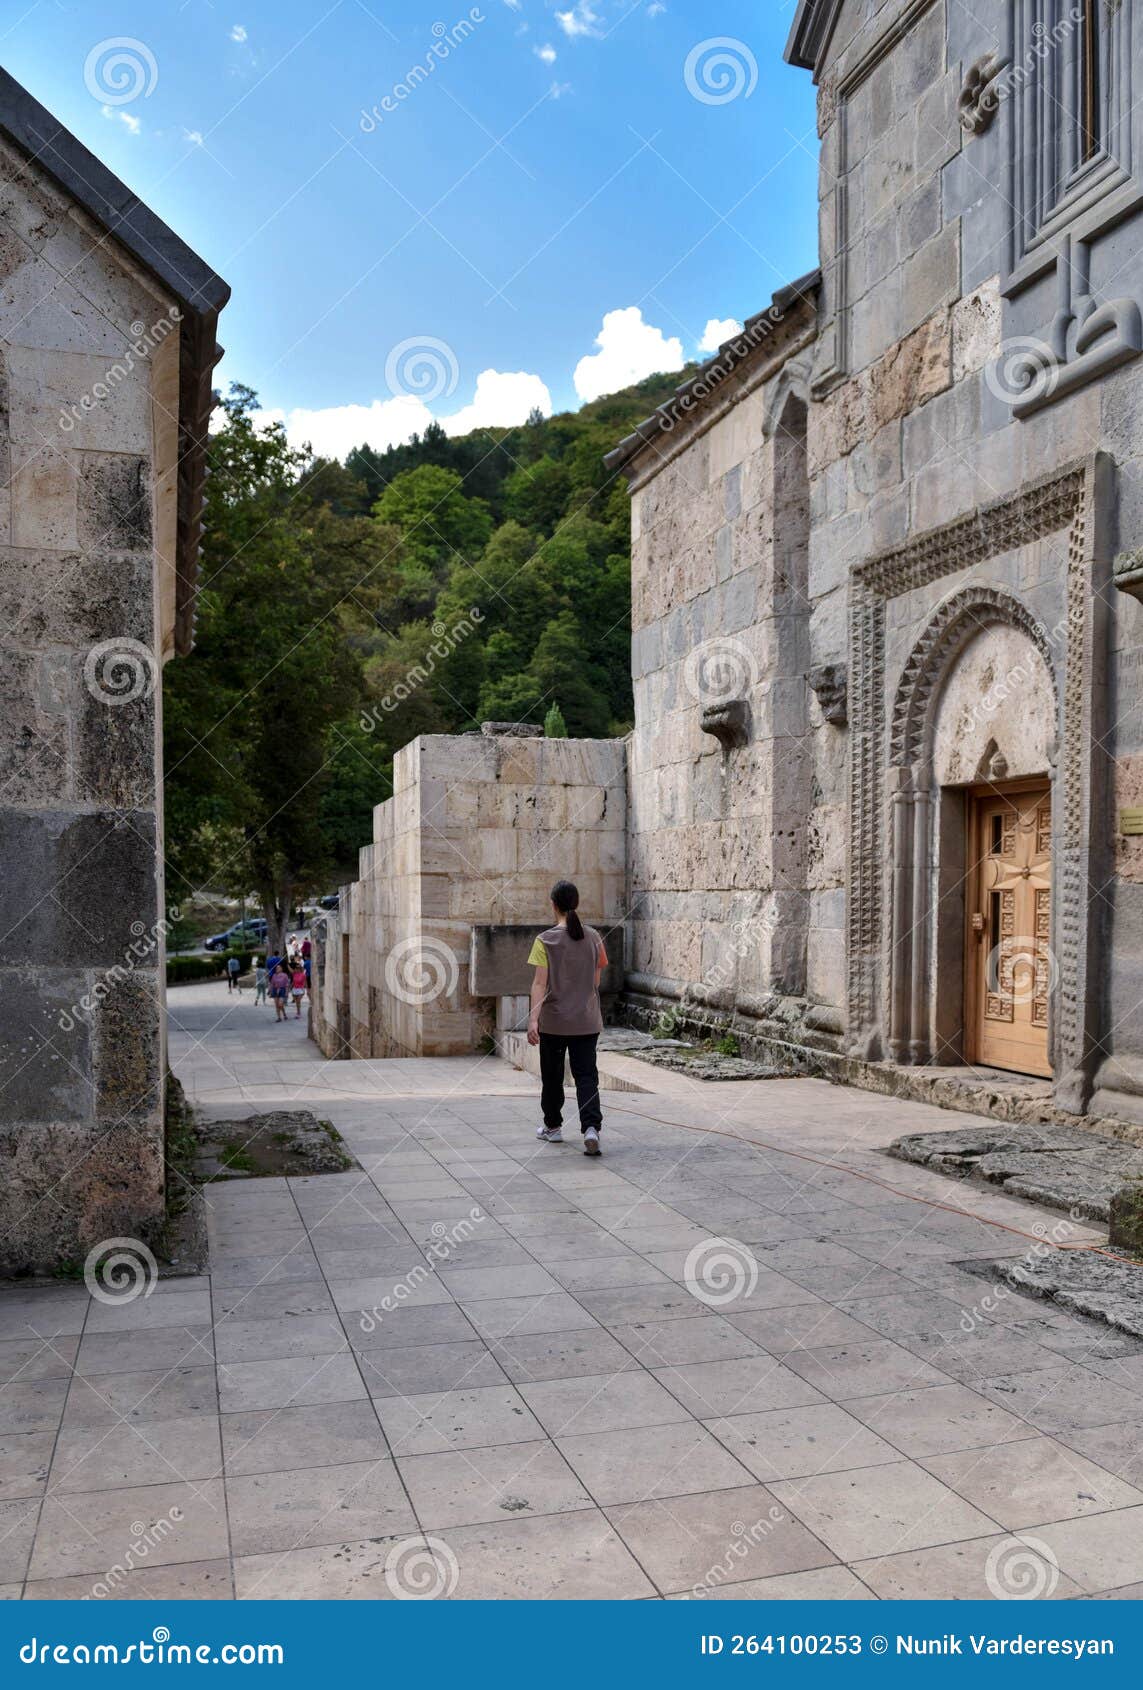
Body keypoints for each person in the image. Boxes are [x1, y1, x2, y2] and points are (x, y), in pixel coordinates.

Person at [527, 880, 607, 1156]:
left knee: (552, 1076)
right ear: (576, 904)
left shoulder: (544, 940)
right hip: (586, 1020)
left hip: (555, 1021)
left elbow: (539, 984)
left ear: (553, 905)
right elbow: (596, 980)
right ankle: (591, 1129)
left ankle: (553, 1127)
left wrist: (533, 1020)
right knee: (587, 1076)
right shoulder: (594, 938)